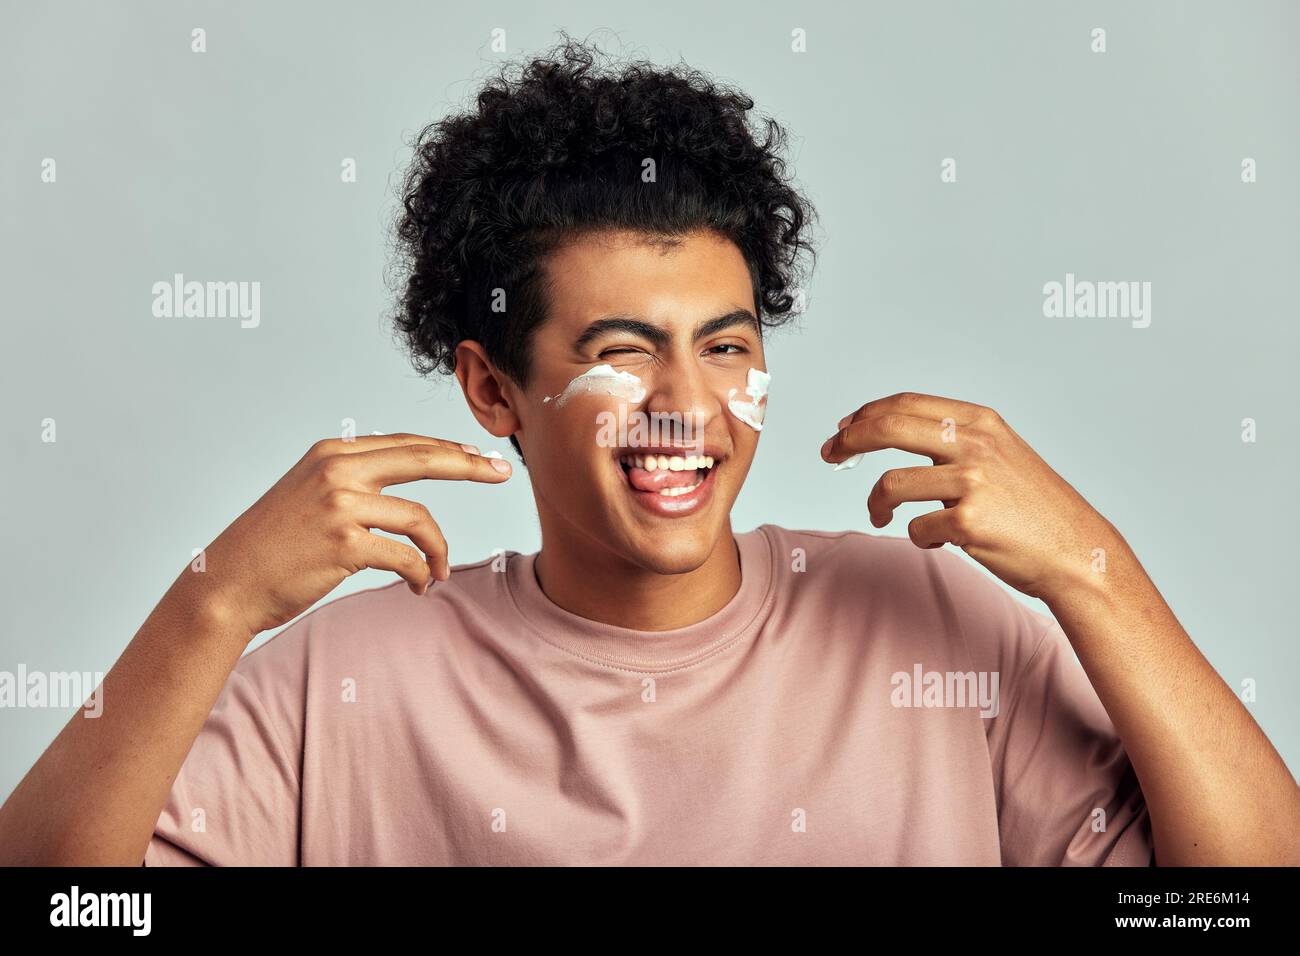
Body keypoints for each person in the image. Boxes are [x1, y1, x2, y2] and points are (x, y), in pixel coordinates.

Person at [2, 37, 1295, 867]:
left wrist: (1096, 569)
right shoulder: (335, 685)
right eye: (622, 353)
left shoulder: (931, 625)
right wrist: (214, 600)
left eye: (727, 349)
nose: (689, 402)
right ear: (493, 387)